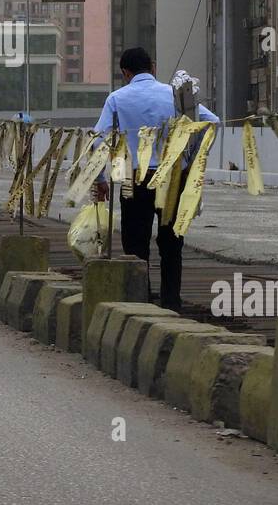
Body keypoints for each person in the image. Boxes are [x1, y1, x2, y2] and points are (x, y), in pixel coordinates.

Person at [91, 47, 218, 311]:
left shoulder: (116, 98)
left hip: (133, 177)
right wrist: (191, 159)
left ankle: (140, 300)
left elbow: (98, 139)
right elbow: (211, 122)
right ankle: (172, 303)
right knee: (171, 242)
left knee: (135, 242)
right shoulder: (174, 95)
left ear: (125, 73)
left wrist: (100, 179)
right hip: (173, 177)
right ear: (153, 66)